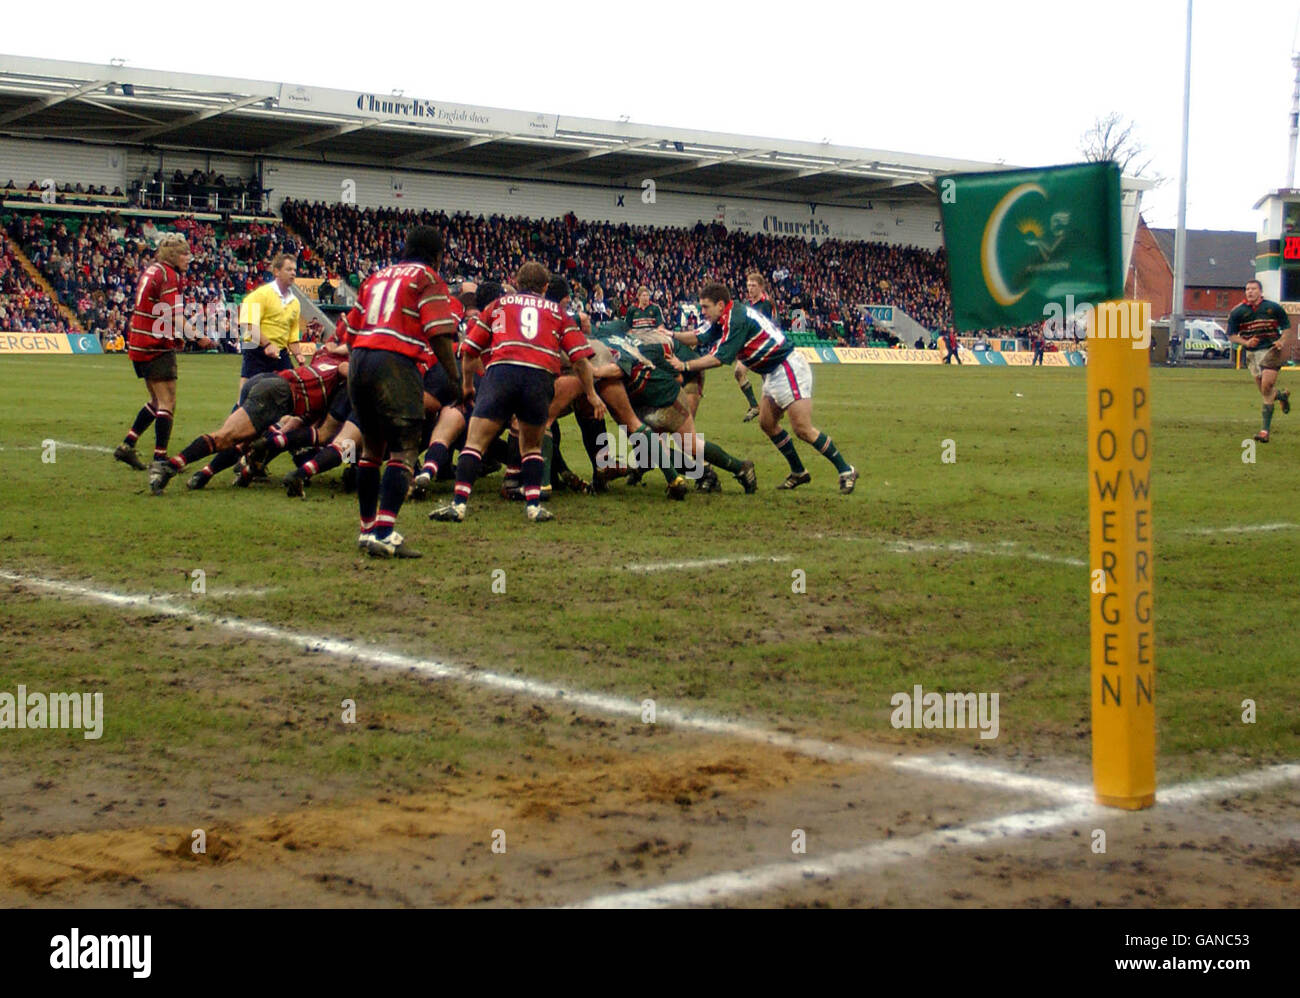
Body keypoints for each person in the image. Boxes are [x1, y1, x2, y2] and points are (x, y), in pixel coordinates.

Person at [430, 262, 606, 524]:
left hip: (502, 373)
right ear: (546, 287)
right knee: (532, 446)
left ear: (516, 281)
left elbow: (469, 350)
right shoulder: (558, 312)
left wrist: (467, 385)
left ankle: (458, 505)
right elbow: (580, 359)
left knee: (475, 443)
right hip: (538, 377)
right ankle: (533, 506)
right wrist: (591, 394)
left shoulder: (498, 305)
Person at [341, 226, 463, 557]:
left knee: (371, 450)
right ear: (438, 256)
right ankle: (384, 531)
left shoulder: (377, 276)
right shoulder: (428, 278)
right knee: (403, 450)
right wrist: (456, 378)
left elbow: (350, 329)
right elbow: (439, 333)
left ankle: (367, 530)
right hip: (394, 361)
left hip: (360, 358)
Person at [668, 282, 858, 494]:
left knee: (802, 427)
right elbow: (698, 336)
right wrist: (670, 335)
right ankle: (798, 471)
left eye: (705, 307)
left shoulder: (735, 319)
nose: (702, 312)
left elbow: (720, 358)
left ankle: (845, 469)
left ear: (720, 305)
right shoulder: (726, 316)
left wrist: (685, 365)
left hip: (787, 367)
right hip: (772, 371)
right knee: (767, 423)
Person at [150, 349, 348, 494]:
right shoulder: (342, 367)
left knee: (241, 441)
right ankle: (169, 467)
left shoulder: (324, 355)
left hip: (270, 385)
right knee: (225, 437)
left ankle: (204, 474)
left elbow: (295, 424)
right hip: (277, 394)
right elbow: (345, 369)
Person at [115, 233, 193, 482]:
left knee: (157, 401)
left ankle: (127, 446)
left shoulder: (153, 270)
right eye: (184, 253)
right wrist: (197, 335)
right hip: (155, 345)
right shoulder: (169, 276)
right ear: (173, 255)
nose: (189, 258)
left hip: (139, 343)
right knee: (168, 401)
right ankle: (160, 459)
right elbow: (173, 315)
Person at [1227, 279, 1294, 443]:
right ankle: (1282, 396)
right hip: (1252, 354)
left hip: (1271, 350)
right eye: (1247, 289)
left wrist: (1281, 342)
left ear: (1260, 291)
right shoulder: (1238, 312)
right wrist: (1245, 343)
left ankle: (1265, 431)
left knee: (1266, 386)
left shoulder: (1272, 307)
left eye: (1253, 289)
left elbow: (1286, 327)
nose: (1250, 292)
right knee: (1266, 392)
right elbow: (1231, 335)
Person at [237, 253, 312, 393]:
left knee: (292, 391)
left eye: (294, 270)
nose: (293, 273)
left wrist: (298, 355)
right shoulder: (260, 295)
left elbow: (292, 335)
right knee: (248, 395)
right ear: (276, 272)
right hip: (256, 351)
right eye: (288, 269)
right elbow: (248, 323)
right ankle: (237, 413)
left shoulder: (295, 302)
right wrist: (267, 344)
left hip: (279, 353)